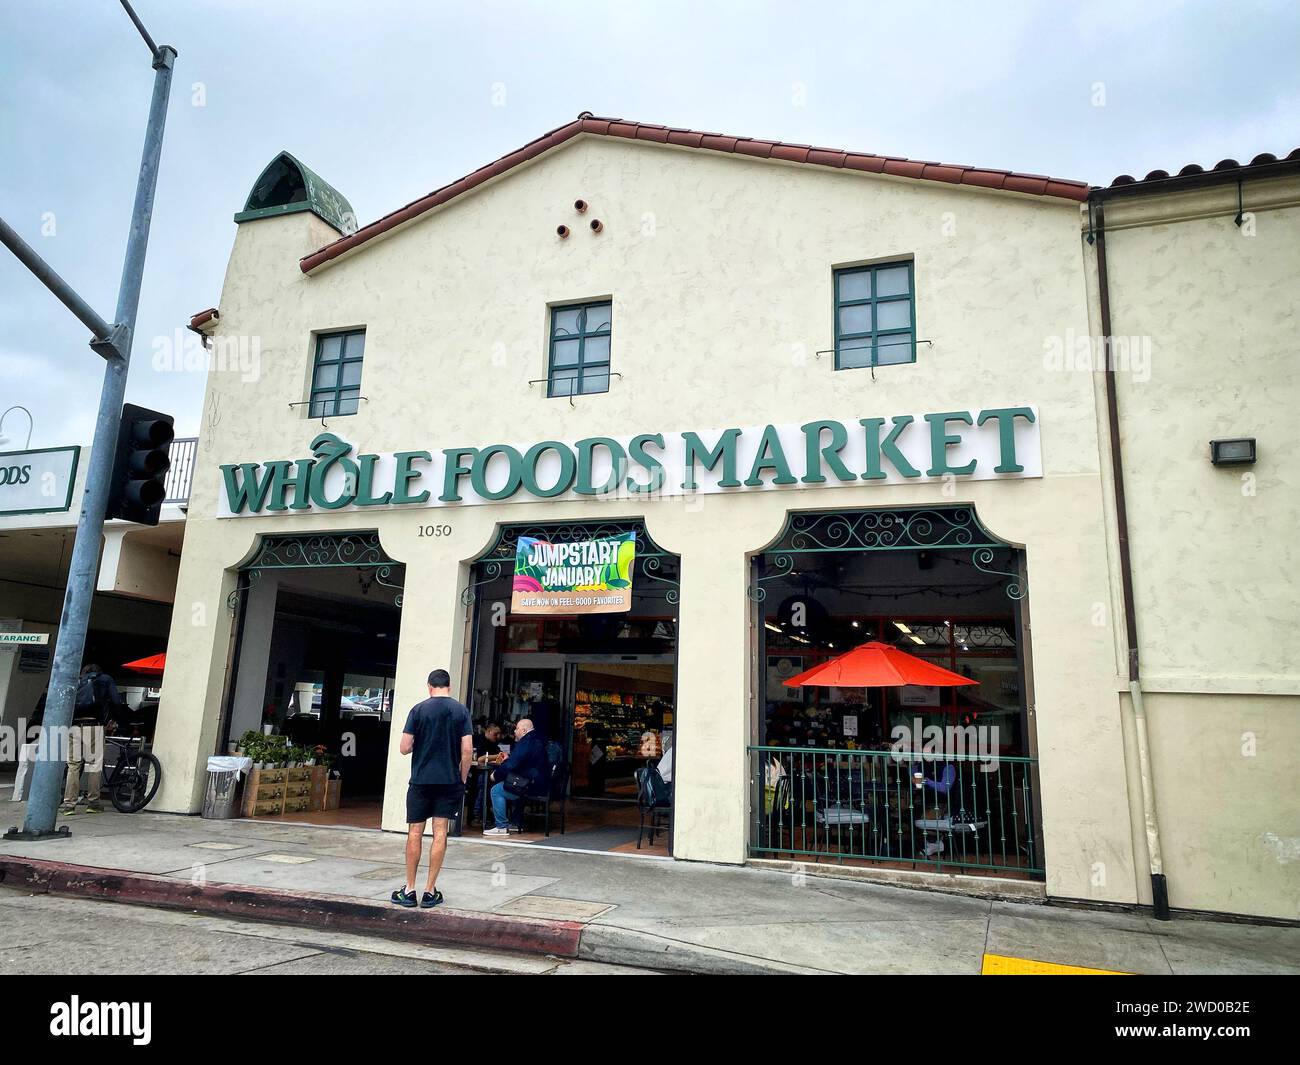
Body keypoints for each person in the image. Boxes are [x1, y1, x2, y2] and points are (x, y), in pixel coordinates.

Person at [393, 668, 472, 909]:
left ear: (429, 686)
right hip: (448, 781)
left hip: (420, 781)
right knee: (440, 832)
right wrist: (463, 777)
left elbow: (404, 747)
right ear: (449, 686)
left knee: (415, 832)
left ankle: (409, 890)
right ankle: (429, 891)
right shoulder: (460, 710)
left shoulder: (418, 710)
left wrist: (419, 741)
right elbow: (467, 750)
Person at [59, 664, 122, 815]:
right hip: (95, 726)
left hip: (75, 726)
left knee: (73, 765)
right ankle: (93, 803)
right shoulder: (105, 680)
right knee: (94, 764)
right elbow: (116, 701)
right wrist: (115, 719)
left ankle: (69, 805)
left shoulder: (76, 680)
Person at [484, 716, 547, 836]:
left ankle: (501, 826)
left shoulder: (527, 741)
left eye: (517, 728)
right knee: (511, 785)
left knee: (496, 790)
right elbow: (520, 760)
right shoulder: (537, 739)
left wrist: (496, 775)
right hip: (538, 782)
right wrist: (510, 758)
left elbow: (511, 765)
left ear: (523, 730)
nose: (514, 731)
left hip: (530, 785)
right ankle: (516, 822)